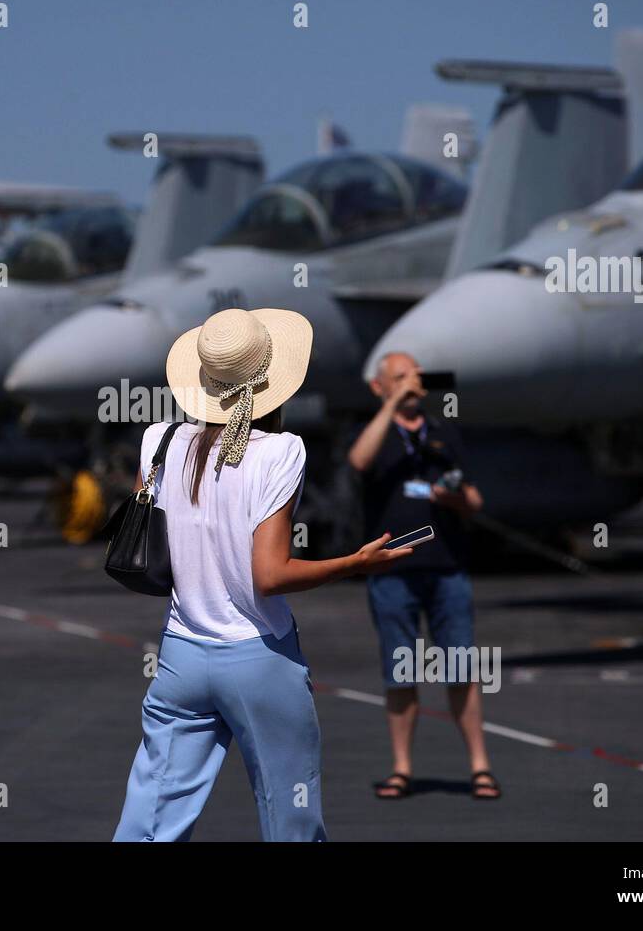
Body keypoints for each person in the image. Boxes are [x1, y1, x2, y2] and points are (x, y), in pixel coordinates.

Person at [113, 308, 413, 842]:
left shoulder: (157, 439)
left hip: (180, 653)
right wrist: (355, 563)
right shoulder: (280, 451)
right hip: (258, 657)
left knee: (150, 821)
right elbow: (270, 575)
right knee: (289, 816)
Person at [347, 351, 500, 800]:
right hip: (392, 570)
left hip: (446, 568)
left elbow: (474, 499)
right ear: (379, 387)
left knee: (460, 668)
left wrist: (454, 499)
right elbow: (359, 462)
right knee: (400, 671)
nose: (412, 385)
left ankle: (479, 765)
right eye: (399, 378)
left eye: (415, 377)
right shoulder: (376, 432)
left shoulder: (443, 432)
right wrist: (393, 406)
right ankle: (402, 768)